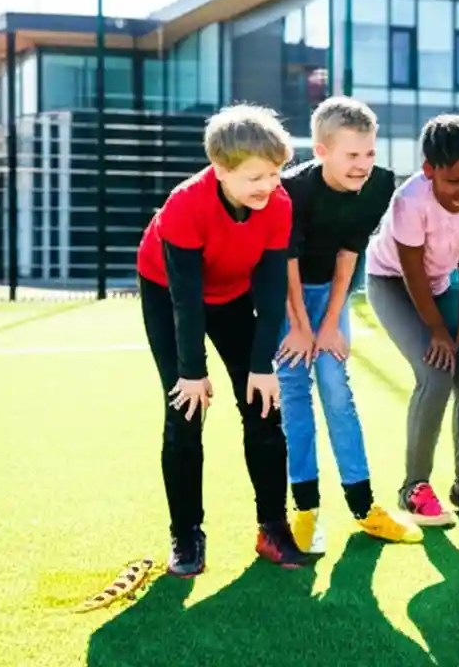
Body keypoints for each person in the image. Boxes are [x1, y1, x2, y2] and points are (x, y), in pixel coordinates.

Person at [135, 104, 310, 576]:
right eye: (255, 177)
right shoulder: (185, 204)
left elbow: (272, 292)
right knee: (185, 409)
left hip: (234, 293)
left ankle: (273, 528)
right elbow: (186, 302)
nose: (268, 186)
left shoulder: (278, 204)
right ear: (221, 170)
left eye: (275, 174)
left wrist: (261, 365)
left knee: (263, 405)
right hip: (169, 291)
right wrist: (192, 371)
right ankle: (187, 534)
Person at [277, 97, 422, 554]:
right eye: (351, 155)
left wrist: (331, 324)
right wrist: (301, 326)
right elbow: (287, 263)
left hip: (332, 293)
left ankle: (364, 508)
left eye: (369, 154)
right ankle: (304, 511)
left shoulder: (379, 186)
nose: (362, 165)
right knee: (295, 390)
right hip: (288, 292)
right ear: (321, 151)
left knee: (336, 389)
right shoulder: (292, 191)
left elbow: (349, 253)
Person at [365, 114, 459, 527]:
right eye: (456, 182)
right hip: (392, 281)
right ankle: (414, 488)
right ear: (429, 170)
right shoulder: (409, 201)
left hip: (438, 283)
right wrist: (437, 331)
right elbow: (411, 271)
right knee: (436, 371)